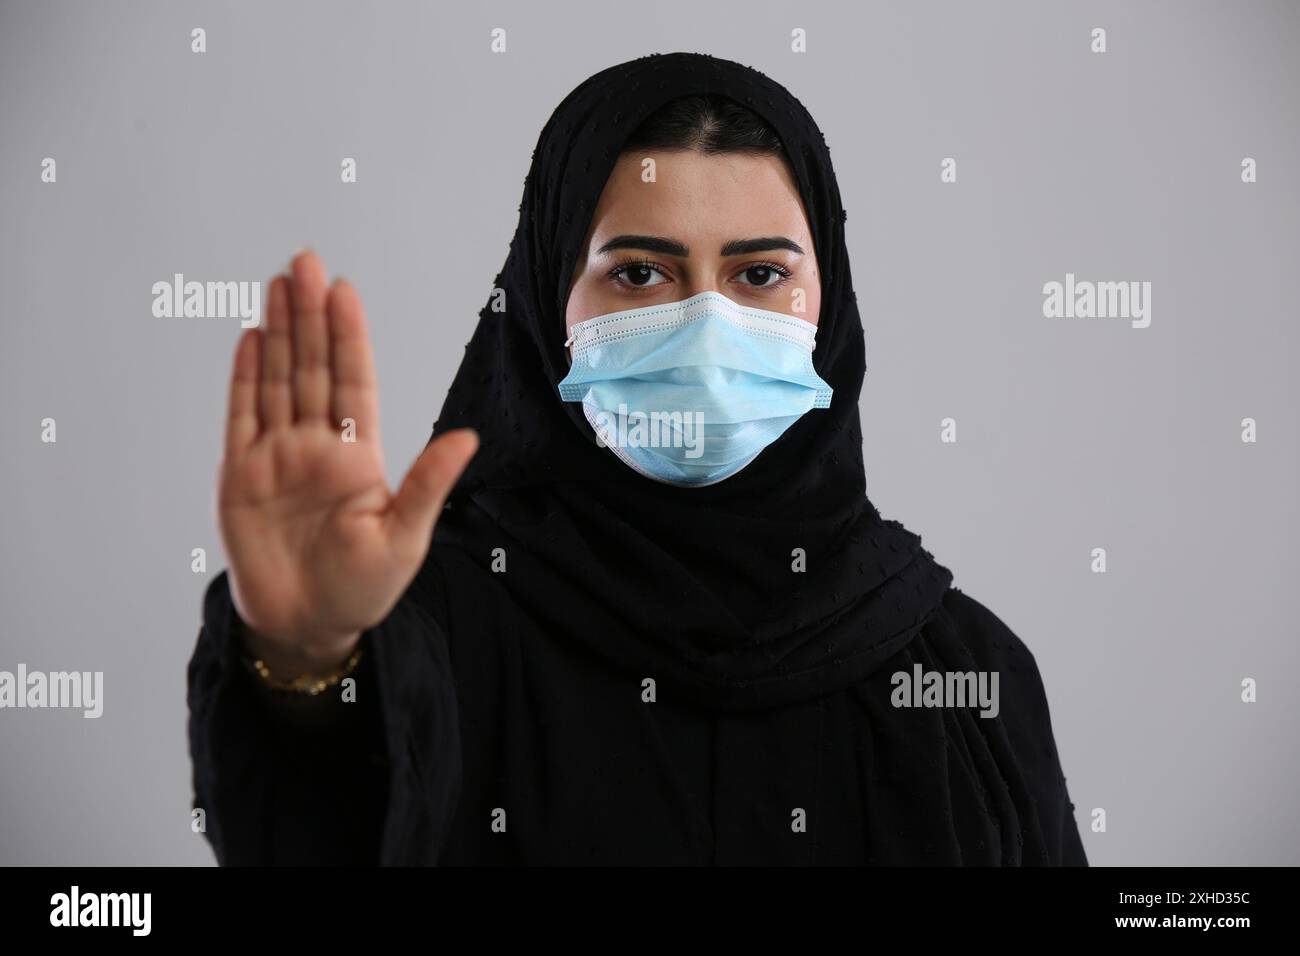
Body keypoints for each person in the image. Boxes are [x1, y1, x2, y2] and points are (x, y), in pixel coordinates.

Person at [187, 51, 1087, 865]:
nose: (705, 323)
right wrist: (307, 660)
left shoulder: (964, 670)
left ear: (832, 302)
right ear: (546, 304)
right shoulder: (432, 623)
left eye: (760, 275)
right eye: (641, 273)